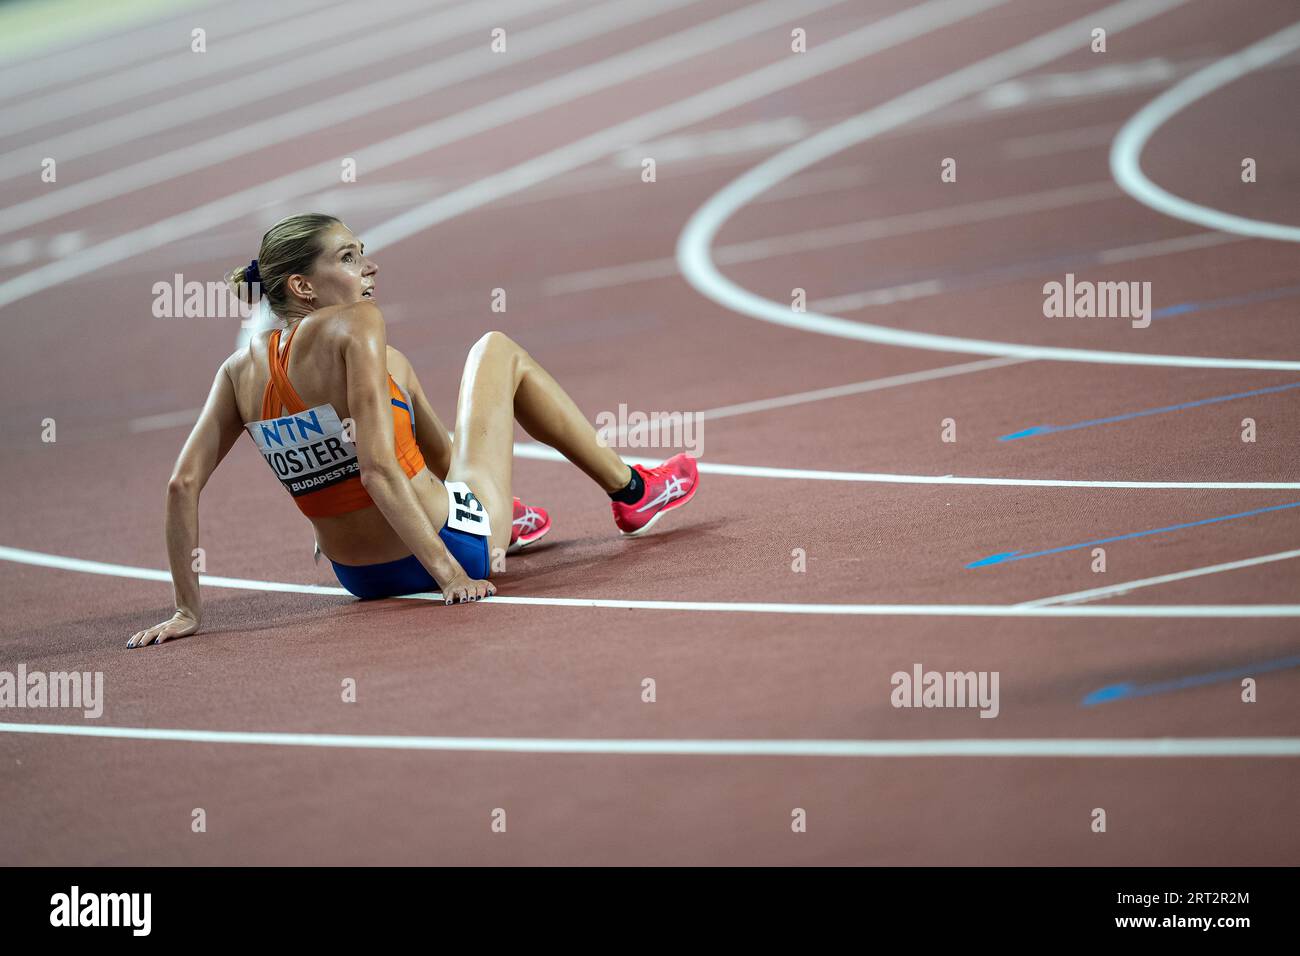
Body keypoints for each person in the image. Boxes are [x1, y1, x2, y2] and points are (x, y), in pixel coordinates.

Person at [127, 214, 698, 648]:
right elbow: (377, 469)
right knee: (495, 352)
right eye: (349, 259)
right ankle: (633, 492)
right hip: (449, 548)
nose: (369, 268)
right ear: (304, 287)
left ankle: (505, 512)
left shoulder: (236, 373)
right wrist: (450, 575)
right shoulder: (358, 323)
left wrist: (188, 611)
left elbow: (181, 484)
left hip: (359, 577)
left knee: (395, 375)